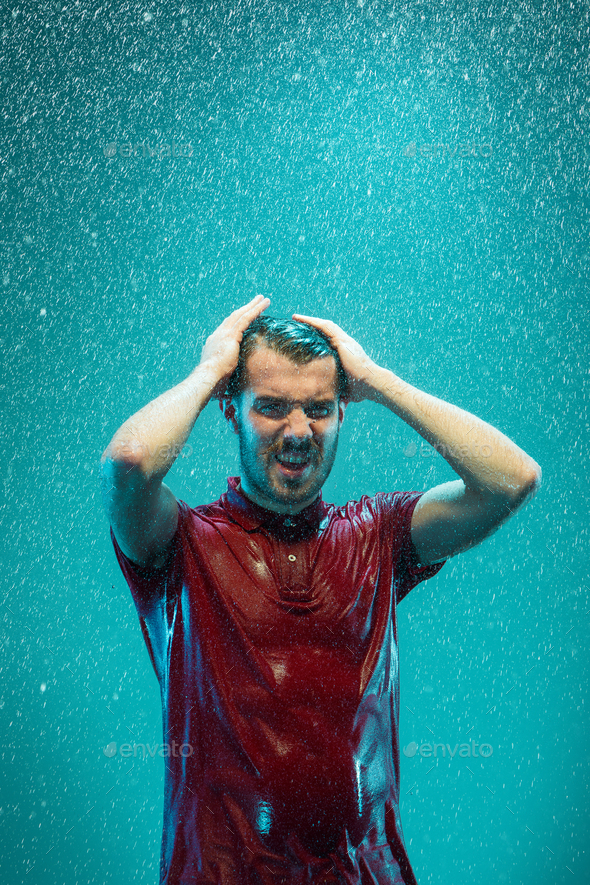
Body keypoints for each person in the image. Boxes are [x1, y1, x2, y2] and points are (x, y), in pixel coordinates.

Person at [100, 295, 541, 885]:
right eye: (272, 407)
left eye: (319, 408)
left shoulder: (378, 534)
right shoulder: (182, 544)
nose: (299, 432)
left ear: (342, 412)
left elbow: (511, 479)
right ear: (230, 410)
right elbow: (129, 463)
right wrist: (209, 373)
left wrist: (377, 381)